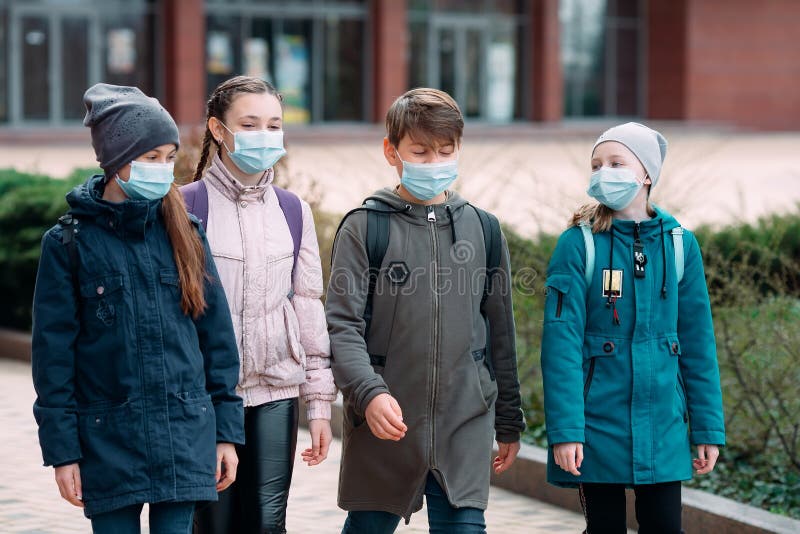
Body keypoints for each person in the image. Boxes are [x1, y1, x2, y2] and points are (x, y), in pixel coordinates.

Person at [31, 83, 244, 534]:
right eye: (150, 158)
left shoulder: (186, 232)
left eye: (169, 157)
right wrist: (63, 451)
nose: (163, 169)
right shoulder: (68, 244)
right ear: (114, 159)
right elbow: (53, 361)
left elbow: (217, 341)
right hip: (106, 441)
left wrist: (225, 432)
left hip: (184, 435)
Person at [326, 87, 525, 533]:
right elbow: (342, 326)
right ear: (391, 151)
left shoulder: (484, 228)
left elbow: (500, 331)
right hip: (386, 424)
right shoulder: (365, 227)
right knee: (368, 525)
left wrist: (509, 420)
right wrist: (369, 394)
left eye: (445, 151)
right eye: (420, 151)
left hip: (465, 422)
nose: (433, 163)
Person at [541, 122, 725, 533]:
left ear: (646, 174)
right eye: (596, 164)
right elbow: (561, 346)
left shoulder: (680, 244)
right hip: (596, 426)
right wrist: (567, 431)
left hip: (663, 426)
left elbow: (698, 343)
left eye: (616, 162)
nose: (603, 171)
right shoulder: (577, 244)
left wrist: (707, 428)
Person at [185, 75, 336, 534]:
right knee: (214, 524)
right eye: (250, 125)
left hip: (277, 391)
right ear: (217, 129)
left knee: (268, 524)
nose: (265, 136)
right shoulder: (186, 206)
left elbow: (309, 305)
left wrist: (319, 404)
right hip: (210, 397)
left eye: (274, 125)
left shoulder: (293, 210)